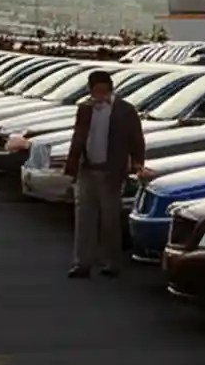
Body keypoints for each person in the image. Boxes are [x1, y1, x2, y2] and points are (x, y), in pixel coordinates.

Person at [64, 71, 149, 280]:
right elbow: (78, 137)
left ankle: (111, 262)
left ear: (110, 89)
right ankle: (81, 263)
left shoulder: (125, 110)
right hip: (88, 169)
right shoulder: (84, 109)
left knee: (110, 220)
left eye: (103, 90)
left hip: (111, 172)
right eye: (95, 91)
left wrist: (137, 163)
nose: (99, 95)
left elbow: (136, 139)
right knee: (84, 218)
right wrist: (72, 165)